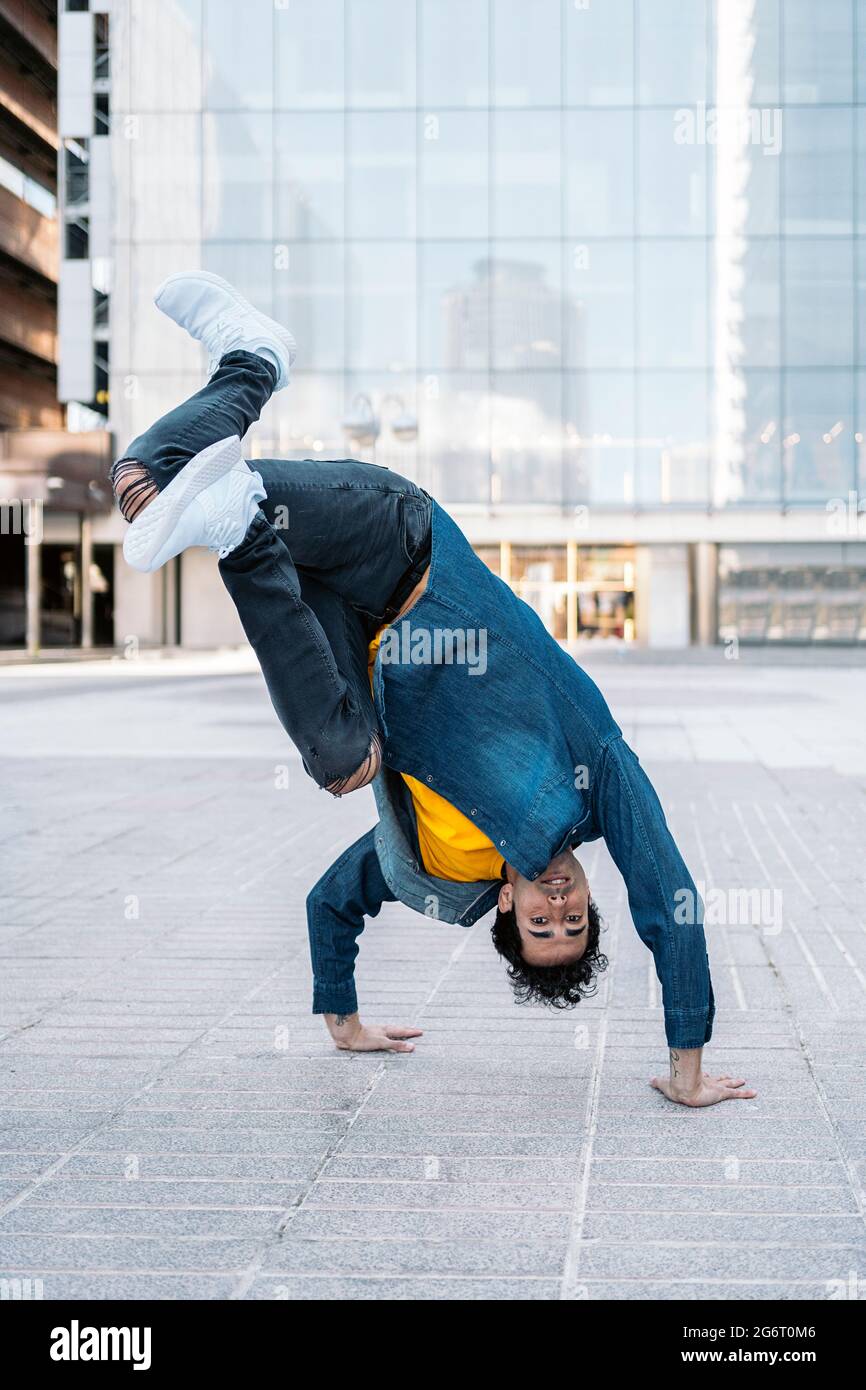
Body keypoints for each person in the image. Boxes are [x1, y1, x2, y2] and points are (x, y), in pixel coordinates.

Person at [113, 271, 756, 1109]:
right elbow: (668, 891)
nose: (558, 906)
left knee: (340, 756)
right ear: (594, 897)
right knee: (157, 478)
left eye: (540, 926)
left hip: (342, 624)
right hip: (398, 543)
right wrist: (688, 1065)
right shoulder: (594, 777)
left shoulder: (432, 870)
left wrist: (341, 1020)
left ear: (504, 910)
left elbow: (331, 903)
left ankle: (243, 391)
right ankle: (257, 379)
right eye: (575, 919)